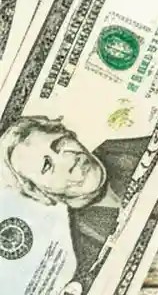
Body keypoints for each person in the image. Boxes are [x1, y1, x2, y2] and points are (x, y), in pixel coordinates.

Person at [0, 116, 149, 278]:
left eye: (61, 144)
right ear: (41, 193)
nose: (70, 159)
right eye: (47, 166)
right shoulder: (88, 251)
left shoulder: (133, 148)